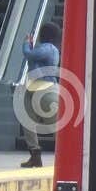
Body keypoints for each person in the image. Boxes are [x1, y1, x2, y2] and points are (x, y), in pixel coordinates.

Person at [17, 22, 61, 169]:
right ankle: (35, 155)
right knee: (27, 121)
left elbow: (29, 54)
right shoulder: (44, 48)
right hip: (33, 89)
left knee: (56, 124)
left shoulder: (49, 48)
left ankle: (62, 156)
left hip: (46, 90)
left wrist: (25, 44)